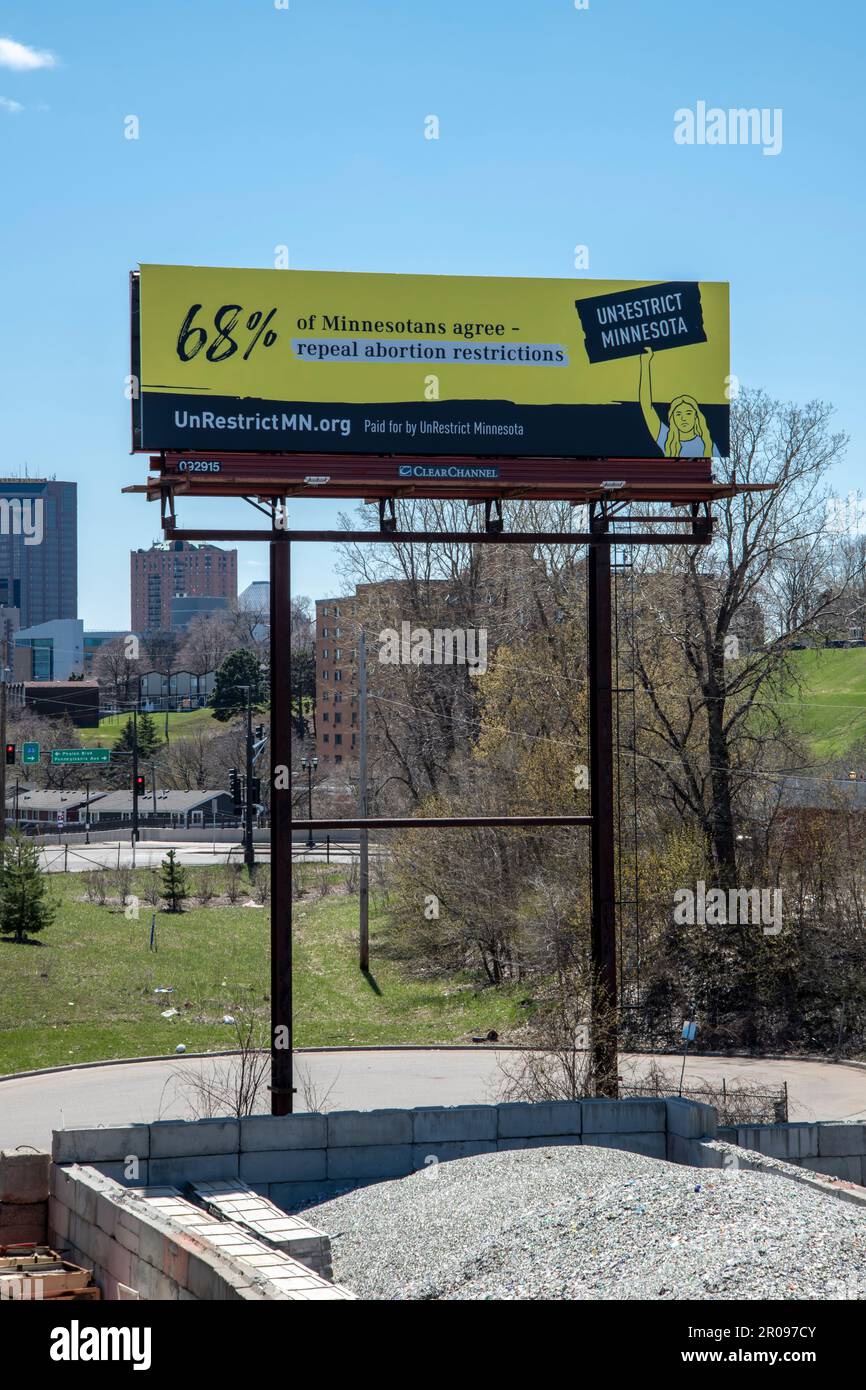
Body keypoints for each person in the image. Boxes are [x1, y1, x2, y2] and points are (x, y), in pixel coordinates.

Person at [638, 346, 718, 457]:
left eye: (688, 413)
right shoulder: (666, 439)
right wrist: (645, 364)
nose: (683, 418)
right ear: (672, 418)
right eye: (678, 414)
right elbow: (646, 406)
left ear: (696, 416)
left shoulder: (708, 445)